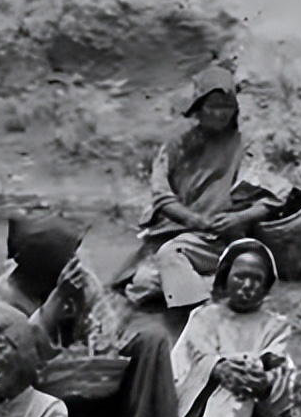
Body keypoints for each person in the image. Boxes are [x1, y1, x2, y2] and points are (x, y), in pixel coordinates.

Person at [0, 211, 180, 417]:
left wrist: (95, 334)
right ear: (45, 264)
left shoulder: (82, 280)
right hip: (44, 403)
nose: (75, 262)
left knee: (152, 339)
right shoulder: (5, 295)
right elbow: (15, 356)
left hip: (95, 390)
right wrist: (54, 305)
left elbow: (106, 332)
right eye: (68, 256)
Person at [115, 66, 286, 310]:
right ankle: (212, 287)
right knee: (144, 281)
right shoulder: (177, 145)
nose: (220, 114)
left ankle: (200, 311)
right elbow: (162, 196)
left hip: (226, 242)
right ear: (198, 107)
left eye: (226, 107)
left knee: (170, 257)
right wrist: (192, 219)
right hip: (185, 233)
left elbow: (273, 198)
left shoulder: (245, 146)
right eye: (213, 106)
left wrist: (239, 218)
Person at [163, 239, 293, 417]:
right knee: (236, 376)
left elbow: (279, 366)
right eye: (240, 276)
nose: (247, 286)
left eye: (256, 279)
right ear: (225, 278)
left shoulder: (276, 325)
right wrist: (223, 367)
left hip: (253, 415)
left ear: (266, 286)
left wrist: (263, 378)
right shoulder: (204, 316)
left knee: (247, 378)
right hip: (199, 404)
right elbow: (200, 358)